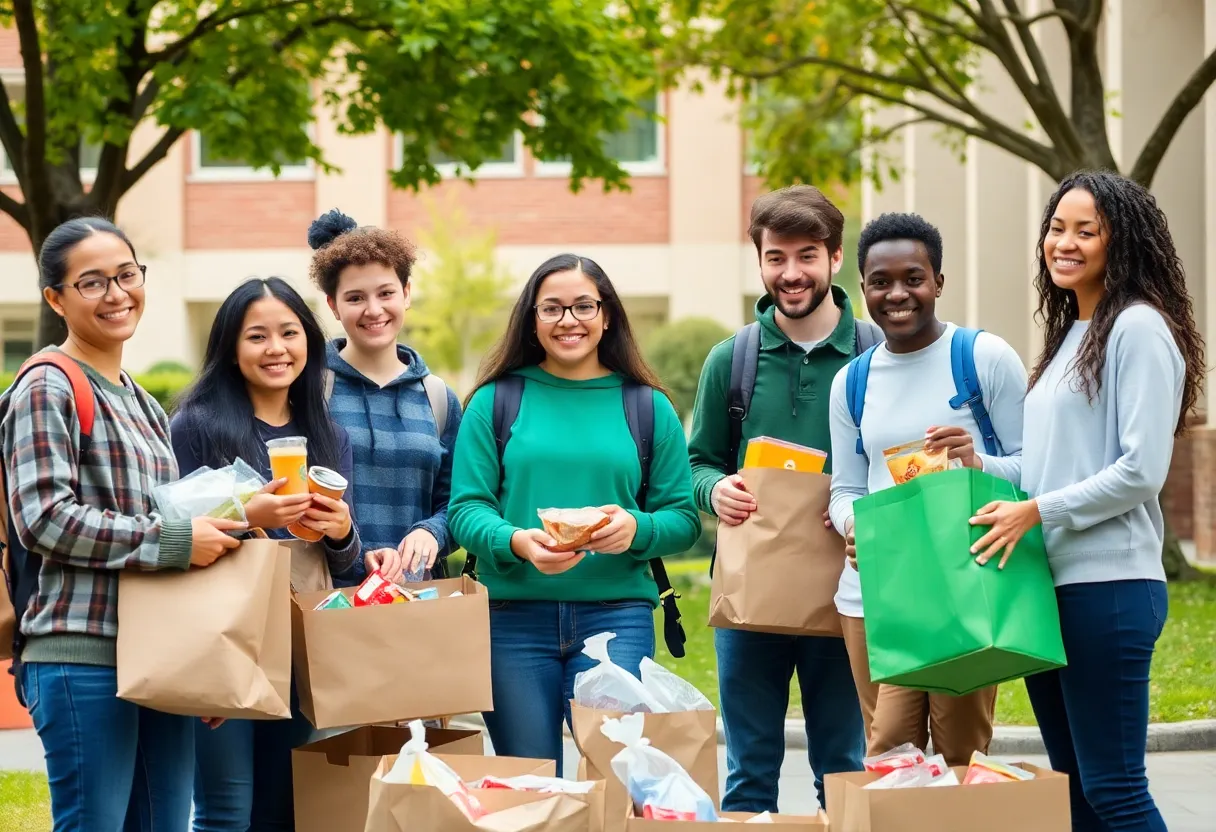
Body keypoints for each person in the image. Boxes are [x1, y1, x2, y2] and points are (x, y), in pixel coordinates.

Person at [968, 171, 1204, 832]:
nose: (1063, 243)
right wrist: (979, 462)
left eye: (1085, 230)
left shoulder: (1139, 330)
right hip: (1053, 590)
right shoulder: (1076, 331)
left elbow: (1140, 470)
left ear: (1120, 241)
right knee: (1075, 792)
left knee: (1115, 788)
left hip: (1110, 589)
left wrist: (1035, 512)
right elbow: (1049, 467)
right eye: (1056, 227)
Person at [0, 218, 245, 831]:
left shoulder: (142, 400)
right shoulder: (46, 384)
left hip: (157, 656)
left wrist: (201, 662)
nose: (116, 294)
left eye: (126, 275)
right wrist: (175, 541)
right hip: (80, 651)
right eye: (91, 283)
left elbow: (166, 524)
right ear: (55, 298)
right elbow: (44, 519)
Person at [447, 253, 700, 771]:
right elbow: (466, 509)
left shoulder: (647, 406)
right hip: (510, 623)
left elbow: (683, 517)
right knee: (531, 782)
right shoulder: (494, 401)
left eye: (584, 306)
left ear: (607, 316)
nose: (569, 321)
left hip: (617, 619)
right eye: (553, 309)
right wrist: (517, 542)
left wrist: (638, 528)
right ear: (532, 319)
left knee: (616, 778)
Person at [686, 185, 870, 813]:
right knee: (749, 771)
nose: (791, 273)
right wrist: (718, 489)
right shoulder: (731, 360)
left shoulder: (875, 356)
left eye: (807, 256)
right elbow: (695, 463)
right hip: (751, 591)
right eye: (776, 257)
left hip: (849, 589)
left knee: (844, 769)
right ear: (759, 261)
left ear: (835, 258)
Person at [827, 212, 1027, 768]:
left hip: (961, 586)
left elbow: (1036, 469)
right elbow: (844, 488)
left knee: (962, 751)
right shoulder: (854, 381)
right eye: (880, 281)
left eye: (913, 277)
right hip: (872, 593)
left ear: (939, 282)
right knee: (890, 751)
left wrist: (976, 461)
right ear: (862, 287)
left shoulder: (983, 358)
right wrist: (857, 527)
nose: (897, 294)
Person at [170, 277, 361, 832]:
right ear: (231, 347)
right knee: (227, 811)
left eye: (289, 333)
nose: (276, 349)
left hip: (304, 645)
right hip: (227, 641)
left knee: (286, 806)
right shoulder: (197, 427)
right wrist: (249, 517)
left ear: (310, 342)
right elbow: (176, 538)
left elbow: (345, 566)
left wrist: (342, 530)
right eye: (257, 336)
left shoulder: (327, 434)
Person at [307, 209, 461, 586]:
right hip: (330, 598)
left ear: (406, 294)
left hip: (417, 597)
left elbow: (461, 504)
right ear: (333, 306)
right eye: (355, 297)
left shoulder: (438, 398)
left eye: (386, 293)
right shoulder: (310, 390)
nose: (373, 310)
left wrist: (431, 533)